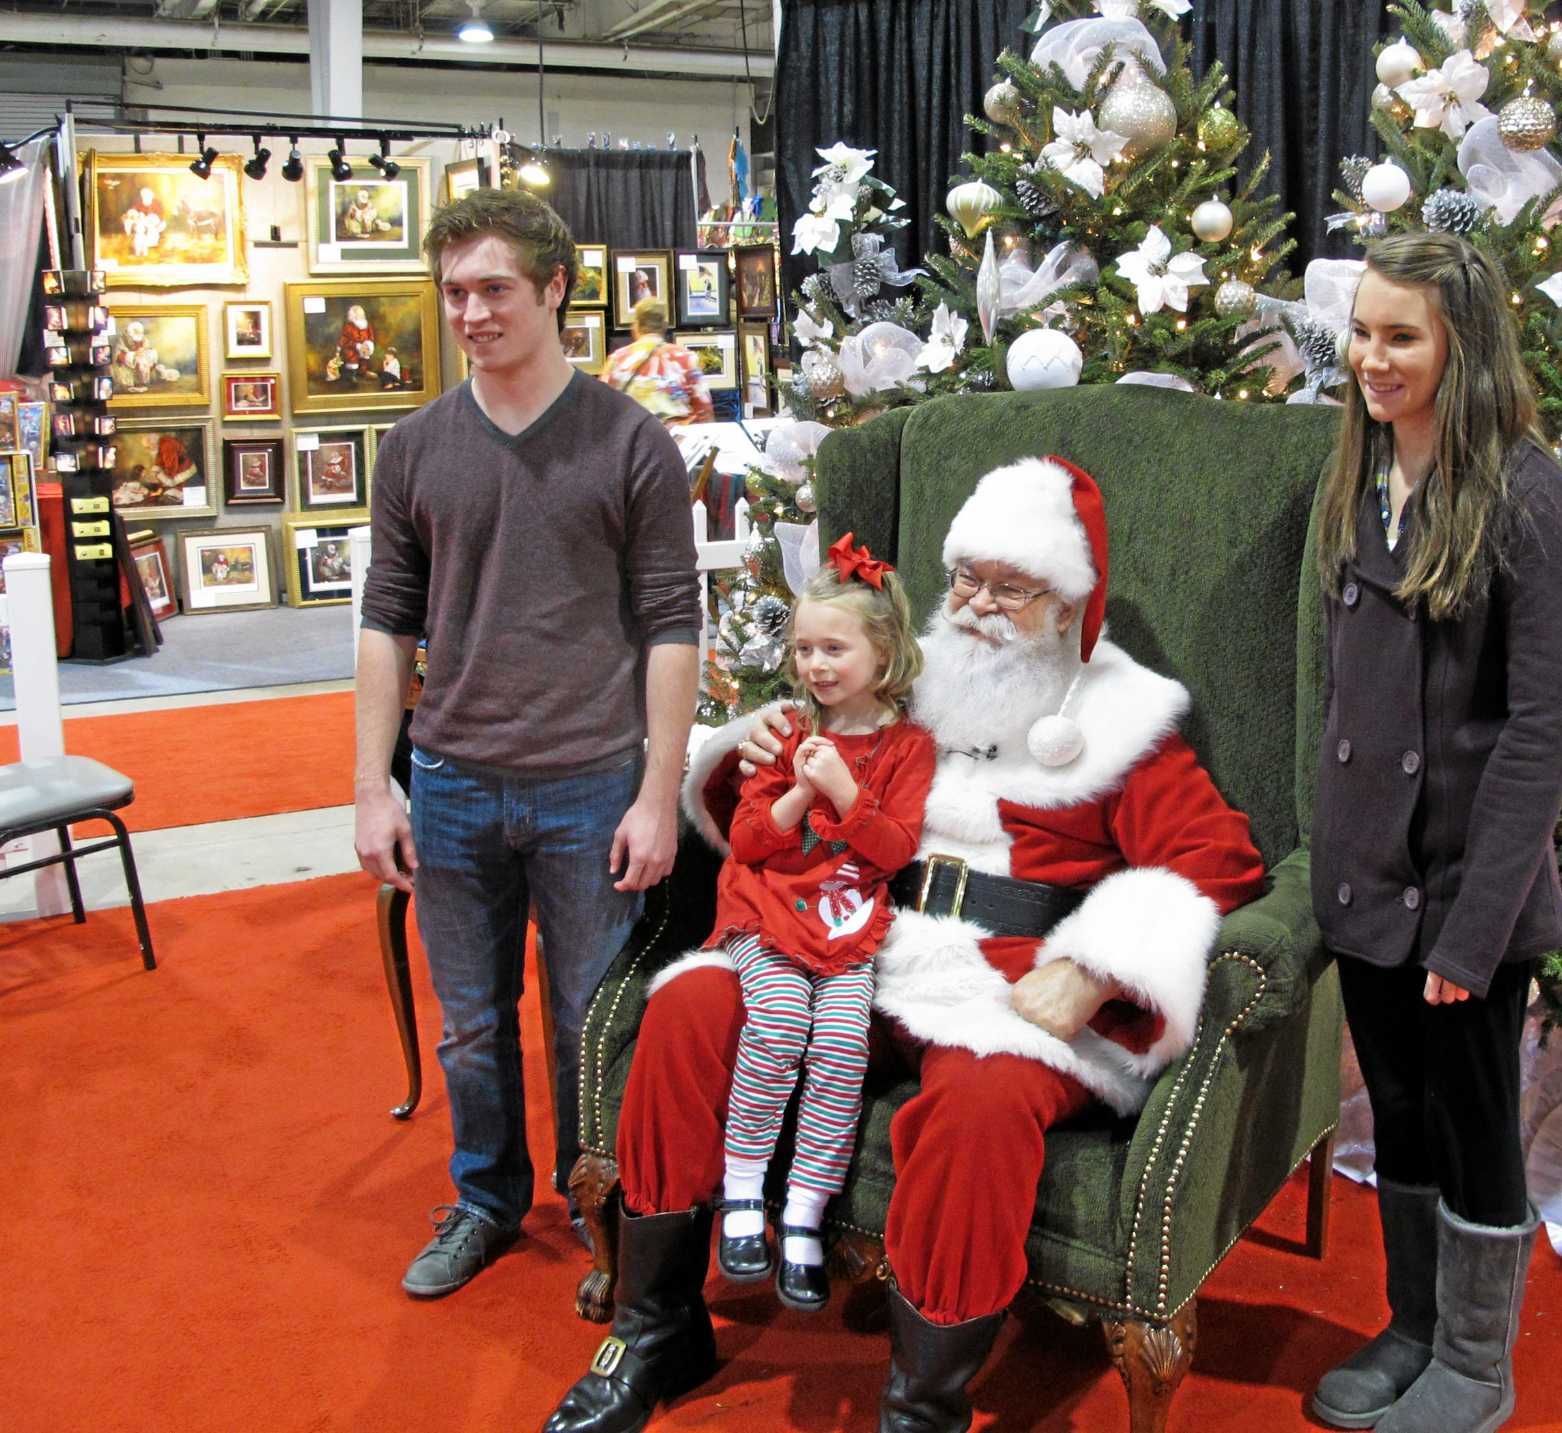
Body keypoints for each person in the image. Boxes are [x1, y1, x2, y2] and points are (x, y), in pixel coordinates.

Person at [542, 458, 1267, 1433]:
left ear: (1065, 604)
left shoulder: (1122, 717)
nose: (977, 604)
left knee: (977, 1099)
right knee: (687, 1007)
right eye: (967, 577)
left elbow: (1218, 858)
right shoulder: (902, 679)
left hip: (1008, 978)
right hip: (850, 933)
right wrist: (750, 754)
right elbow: (771, 801)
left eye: (1010, 587)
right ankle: (657, 1322)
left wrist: (1098, 961)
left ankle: (919, 1408)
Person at [355, 187, 701, 1303]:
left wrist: (658, 787)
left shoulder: (630, 442)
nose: (471, 311)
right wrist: (373, 782)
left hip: (592, 782)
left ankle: (596, 1207)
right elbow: (384, 623)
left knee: (587, 1021)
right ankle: (484, 1199)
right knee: (470, 1024)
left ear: (554, 288)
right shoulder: (413, 449)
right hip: (451, 775)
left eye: (495, 287)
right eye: (454, 291)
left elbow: (670, 623)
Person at [1306, 233, 1562, 1433]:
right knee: (1404, 1116)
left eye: (1400, 336)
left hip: (1469, 892)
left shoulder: (1526, 494)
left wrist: (1472, 933)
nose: (1372, 359)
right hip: (1370, 877)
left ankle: (1474, 1361)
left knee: (1472, 1121)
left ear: (1461, 347)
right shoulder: (1355, 475)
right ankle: (1413, 1326)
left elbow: (1544, 728)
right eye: (1362, 331)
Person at [695, 535, 935, 1314]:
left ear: (885, 651)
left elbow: (895, 847)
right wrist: (801, 793)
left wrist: (847, 793)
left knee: (838, 1046)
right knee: (776, 1021)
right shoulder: (788, 730)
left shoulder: (907, 746)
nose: (816, 665)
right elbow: (749, 840)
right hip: (766, 913)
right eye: (804, 649)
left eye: (835, 647)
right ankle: (741, 1195)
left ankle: (803, 1210)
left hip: (845, 925)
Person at [599, 297, 713, 437]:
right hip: (674, 446)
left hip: (632, 446)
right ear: (664, 326)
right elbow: (704, 412)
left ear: (636, 326)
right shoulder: (686, 358)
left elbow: (602, 412)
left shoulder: (617, 360)